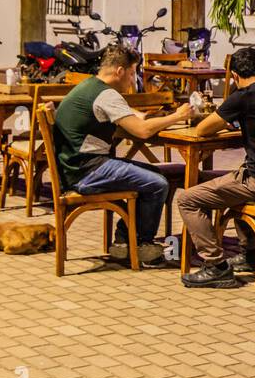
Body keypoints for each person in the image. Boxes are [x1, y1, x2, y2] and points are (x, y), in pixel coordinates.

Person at [52, 44, 193, 265]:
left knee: (150, 174)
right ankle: (143, 245)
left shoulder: (90, 86)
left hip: (75, 166)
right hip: (87, 171)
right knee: (157, 183)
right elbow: (142, 131)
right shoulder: (107, 95)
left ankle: (123, 241)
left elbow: (136, 119)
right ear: (120, 71)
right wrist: (177, 116)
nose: (132, 79)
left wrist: (155, 116)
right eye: (132, 73)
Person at [177, 47, 255, 288]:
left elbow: (203, 129)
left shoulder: (243, 95)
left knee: (187, 199)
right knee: (232, 183)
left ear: (234, 75)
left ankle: (215, 265)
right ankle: (250, 255)